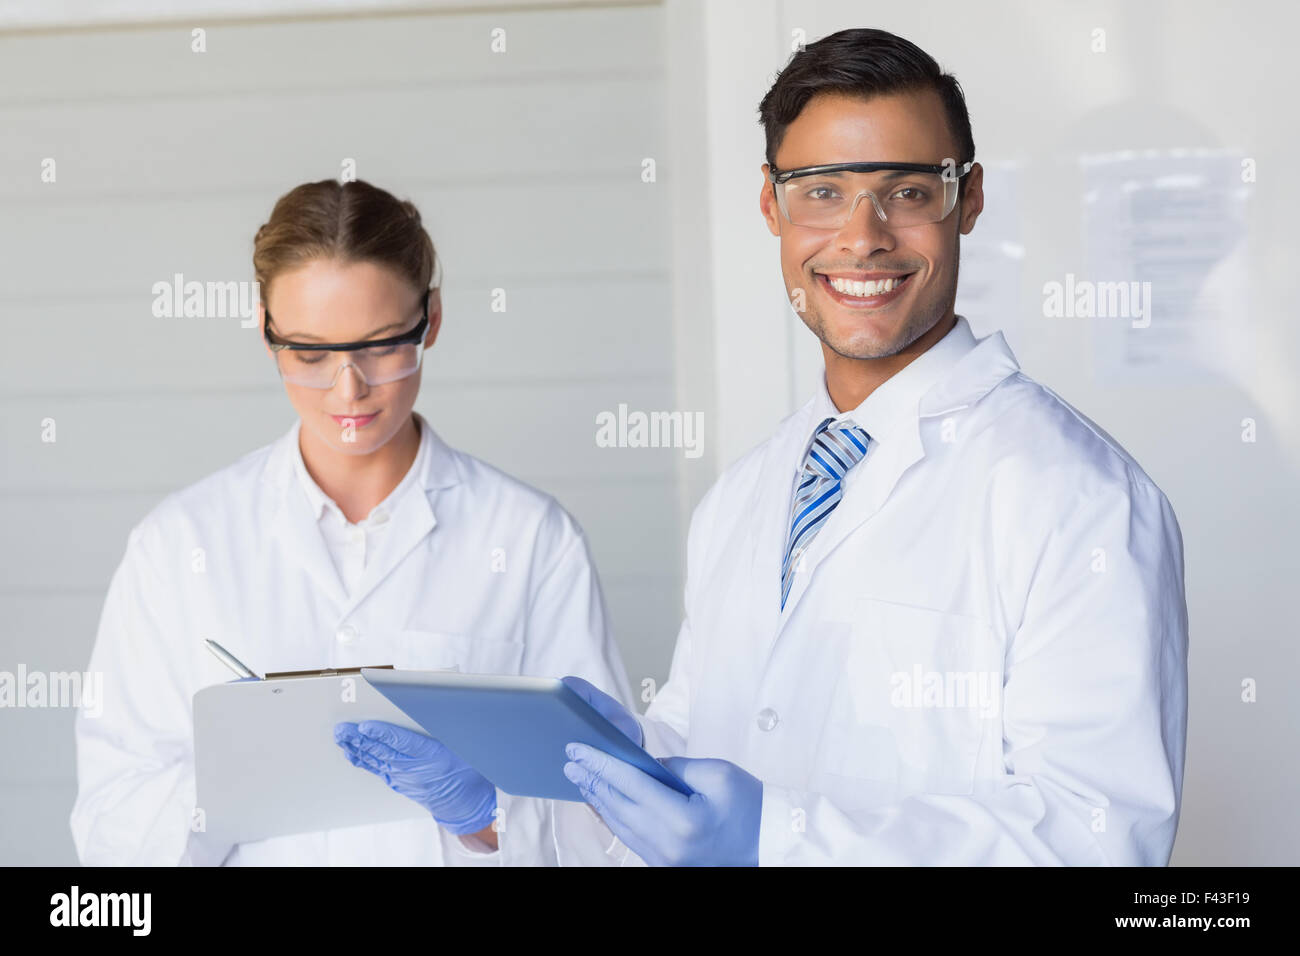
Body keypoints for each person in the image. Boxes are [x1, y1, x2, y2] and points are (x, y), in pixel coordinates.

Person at [560, 28, 1189, 866]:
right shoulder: (743, 497)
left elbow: (1098, 840)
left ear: (966, 200)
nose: (863, 238)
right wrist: (590, 771)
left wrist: (775, 839)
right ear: (770, 204)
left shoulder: (1081, 500)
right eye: (821, 191)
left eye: (907, 191)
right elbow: (705, 740)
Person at [70, 179, 632, 866]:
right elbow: (110, 819)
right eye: (309, 354)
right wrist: (238, 778)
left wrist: (485, 813)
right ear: (266, 330)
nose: (348, 389)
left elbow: (611, 817)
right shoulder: (180, 545)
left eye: (381, 346)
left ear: (430, 321)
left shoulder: (531, 540)